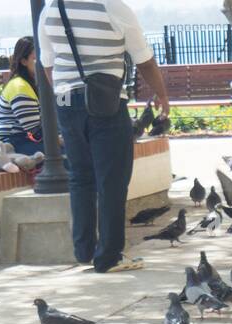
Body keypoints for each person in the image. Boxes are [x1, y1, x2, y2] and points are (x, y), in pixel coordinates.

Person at [36, 0, 170, 274]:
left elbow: (48, 65)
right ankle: (109, 256)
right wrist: (162, 93)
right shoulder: (112, 7)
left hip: (66, 103)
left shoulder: (50, 10)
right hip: (106, 104)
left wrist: (67, 94)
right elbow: (143, 59)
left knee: (80, 176)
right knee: (112, 180)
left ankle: (84, 249)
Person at [0, 36, 43, 156]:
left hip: (28, 139)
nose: (43, 63)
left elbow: (62, 110)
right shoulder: (20, 87)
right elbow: (34, 131)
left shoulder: (40, 84)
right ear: (24, 61)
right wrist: (61, 141)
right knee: (66, 156)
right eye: (36, 59)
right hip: (13, 143)